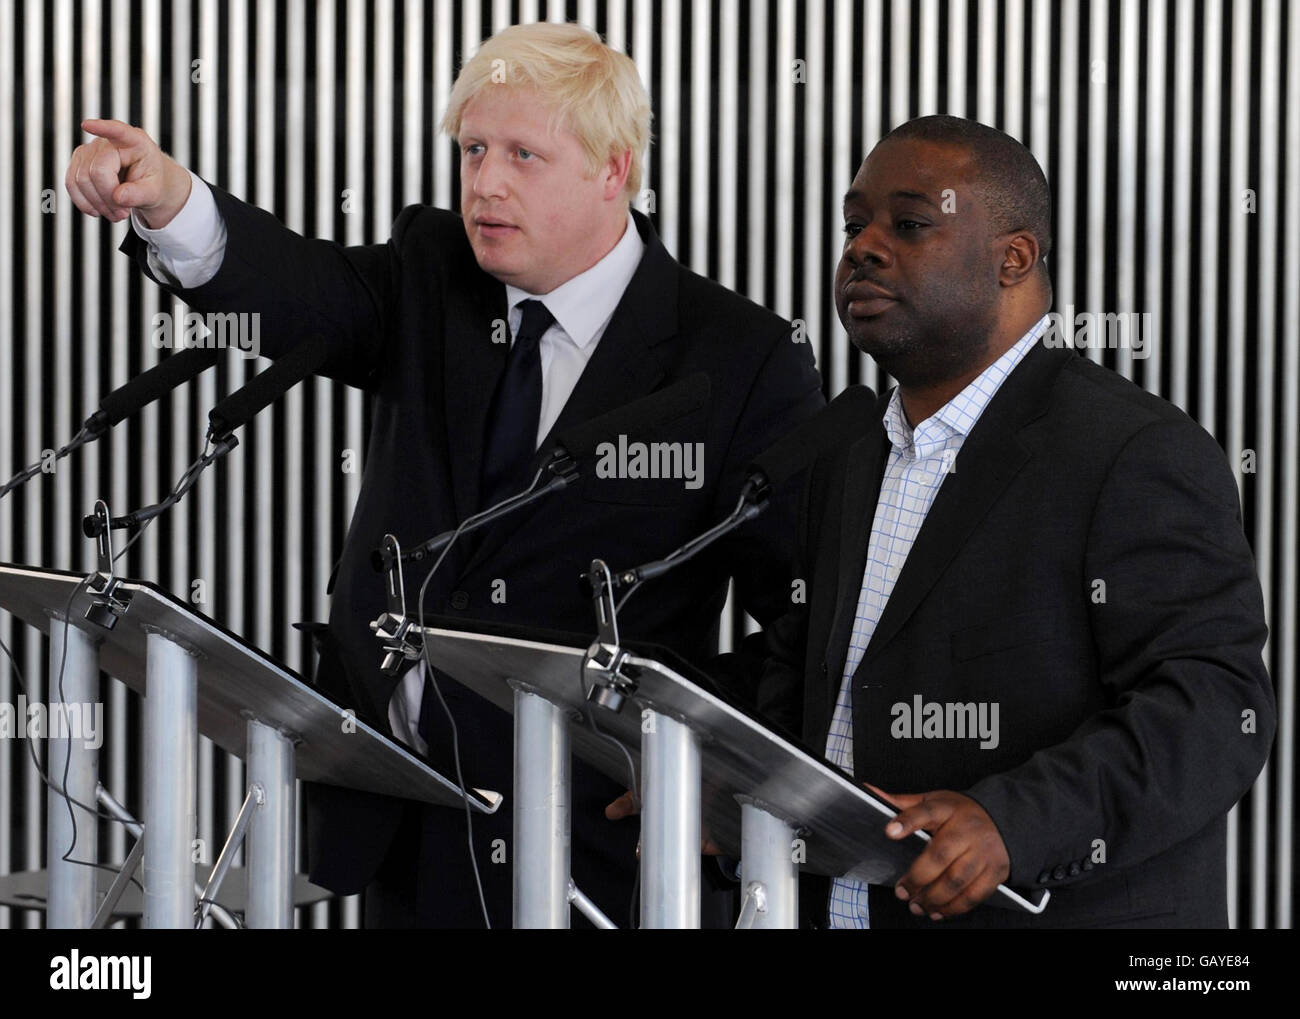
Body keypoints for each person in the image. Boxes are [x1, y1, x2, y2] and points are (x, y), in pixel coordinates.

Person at [64, 21, 824, 927]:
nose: (484, 183)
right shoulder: (430, 276)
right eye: (471, 149)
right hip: (404, 822)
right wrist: (173, 199)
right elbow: (297, 289)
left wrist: (706, 767)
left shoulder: (739, 357)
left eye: (523, 155)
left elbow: (803, 616)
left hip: (602, 845)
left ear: (614, 169)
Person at [754, 115, 1275, 928]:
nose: (864, 246)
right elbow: (814, 678)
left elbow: (1210, 710)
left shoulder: (1133, 450)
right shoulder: (848, 451)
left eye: (910, 223)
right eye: (855, 223)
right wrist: (708, 772)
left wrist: (1012, 822)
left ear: (1015, 257)